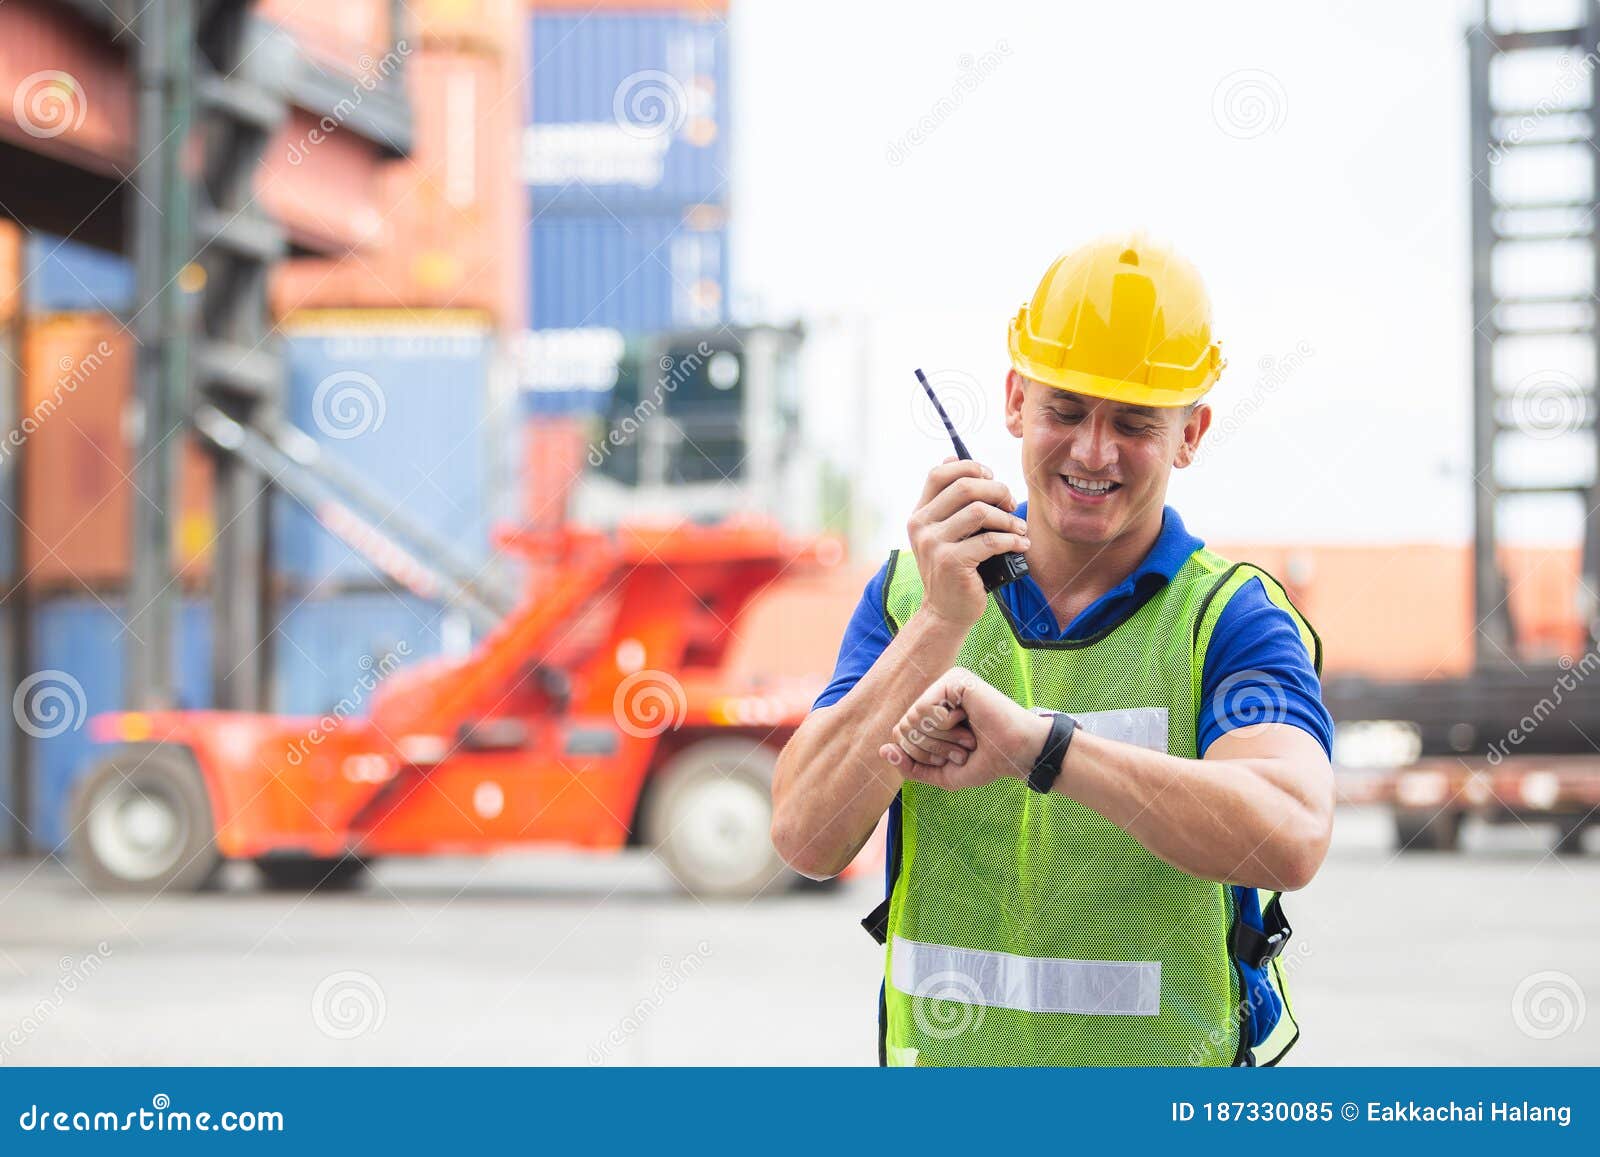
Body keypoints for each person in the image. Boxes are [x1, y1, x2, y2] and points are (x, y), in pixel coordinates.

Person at [770, 233, 1334, 1067]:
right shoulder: (910, 595)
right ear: (1013, 401)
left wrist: (1044, 749)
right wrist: (938, 625)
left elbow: (1288, 835)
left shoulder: (1227, 618)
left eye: (1135, 423)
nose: (1093, 451)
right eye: (1064, 410)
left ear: (1191, 432)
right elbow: (805, 836)